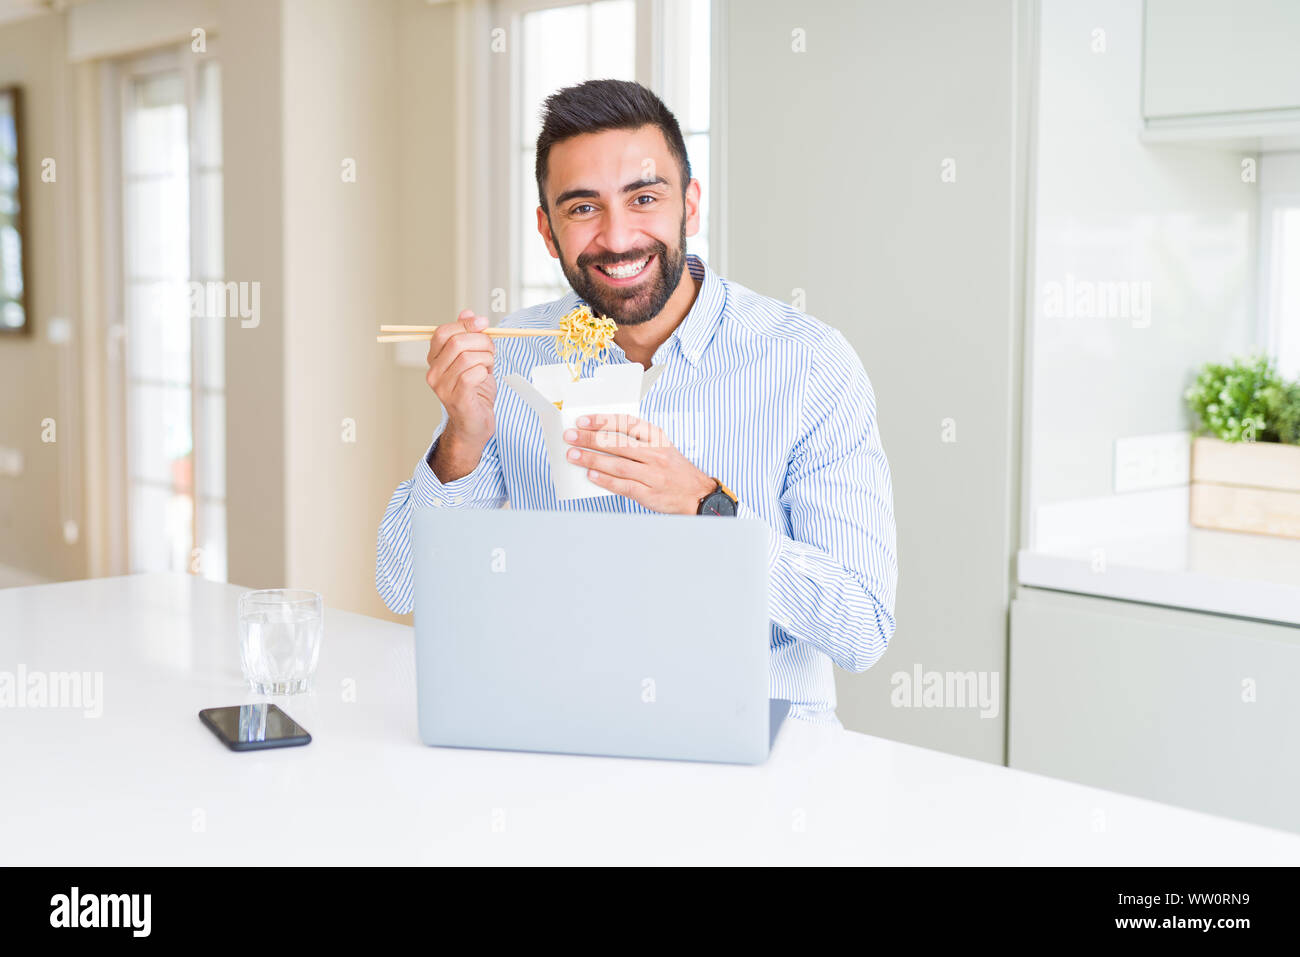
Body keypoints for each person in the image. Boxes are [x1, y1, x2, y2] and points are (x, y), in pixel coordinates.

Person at [377, 79, 897, 727]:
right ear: (547, 229)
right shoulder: (515, 356)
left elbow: (862, 628)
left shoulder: (809, 364)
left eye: (644, 198)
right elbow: (403, 586)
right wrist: (463, 438)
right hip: (567, 722)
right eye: (582, 208)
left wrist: (704, 505)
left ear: (691, 206)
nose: (618, 237)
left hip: (759, 742)